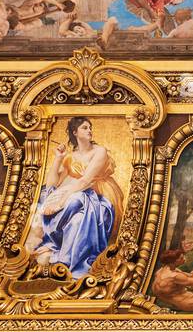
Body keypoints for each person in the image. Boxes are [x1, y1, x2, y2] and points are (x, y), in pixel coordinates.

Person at [32, 117, 124, 277]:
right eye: (84, 128)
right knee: (75, 218)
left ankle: (54, 244)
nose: (89, 130)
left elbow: (86, 180)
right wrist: (58, 158)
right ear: (75, 132)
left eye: (90, 127)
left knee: (77, 199)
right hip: (77, 193)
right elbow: (53, 183)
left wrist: (60, 202)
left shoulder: (99, 151)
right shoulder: (70, 156)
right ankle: (58, 249)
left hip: (98, 195)